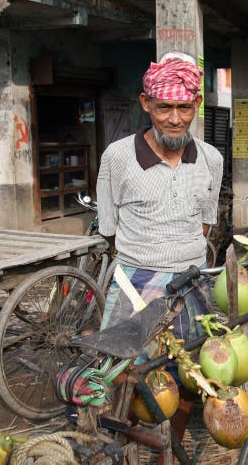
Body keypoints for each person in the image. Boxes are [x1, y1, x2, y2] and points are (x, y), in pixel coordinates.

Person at [96, 53, 223, 446]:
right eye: (164, 107)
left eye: (184, 107)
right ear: (145, 103)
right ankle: (123, 448)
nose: (174, 118)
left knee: (187, 376)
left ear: (197, 105)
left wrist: (180, 260)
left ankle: (170, 449)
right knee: (121, 377)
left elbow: (204, 225)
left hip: (193, 283)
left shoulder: (211, 159)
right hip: (135, 281)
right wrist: (151, 261)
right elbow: (110, 231)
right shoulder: (117, 158)